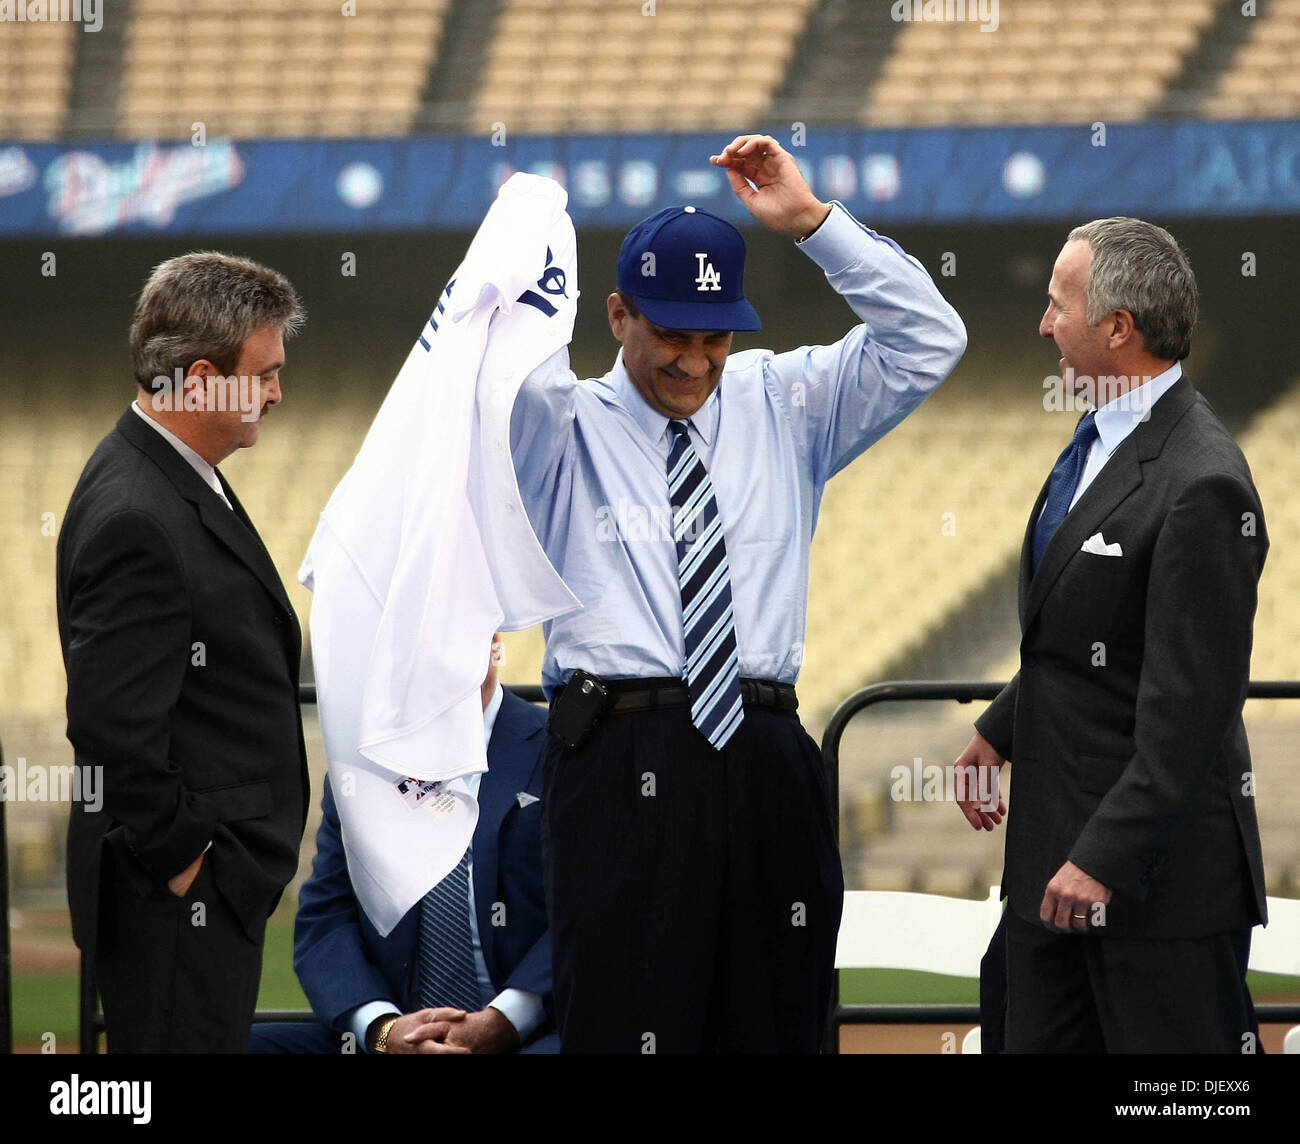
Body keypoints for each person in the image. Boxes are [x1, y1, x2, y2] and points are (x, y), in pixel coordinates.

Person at [510, 133, 967, 1052]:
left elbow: (931, 339)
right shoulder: (557, 420)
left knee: (778, 1023)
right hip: (617, 755)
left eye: (713, 336)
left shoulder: (784, 399)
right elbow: (476, 380)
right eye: (669, 333)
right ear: (617, 316)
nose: (692, 360)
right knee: (626, 1024)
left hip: (764, 753)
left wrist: (813, 224)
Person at [954, 217, 1268, 1053]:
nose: (1043, 324)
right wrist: (1002, 726)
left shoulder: (1202, 481)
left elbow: (1192, 708)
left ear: (1117, 328)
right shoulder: (1100, 439)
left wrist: (1105, 858)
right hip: (1052, 874)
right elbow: (1092, 629)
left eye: (1058, 306)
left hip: (1149, 895)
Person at [57, 252, 309, 1053]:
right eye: (264, 372)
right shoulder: (140, 508)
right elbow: (112, 729)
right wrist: (195, 866)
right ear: (202, 379)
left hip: (189, 903)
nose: (276, 391)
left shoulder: (165, 474)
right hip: (175, 908)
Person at [251, 636, 558, 1054]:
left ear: (495, 643)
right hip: (397, 1038)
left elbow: (589, 909)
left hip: (532, 1037)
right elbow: (325, 920)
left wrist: (503, 1022)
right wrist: (384, 1031)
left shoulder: (559, 750)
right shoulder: (364, 763)